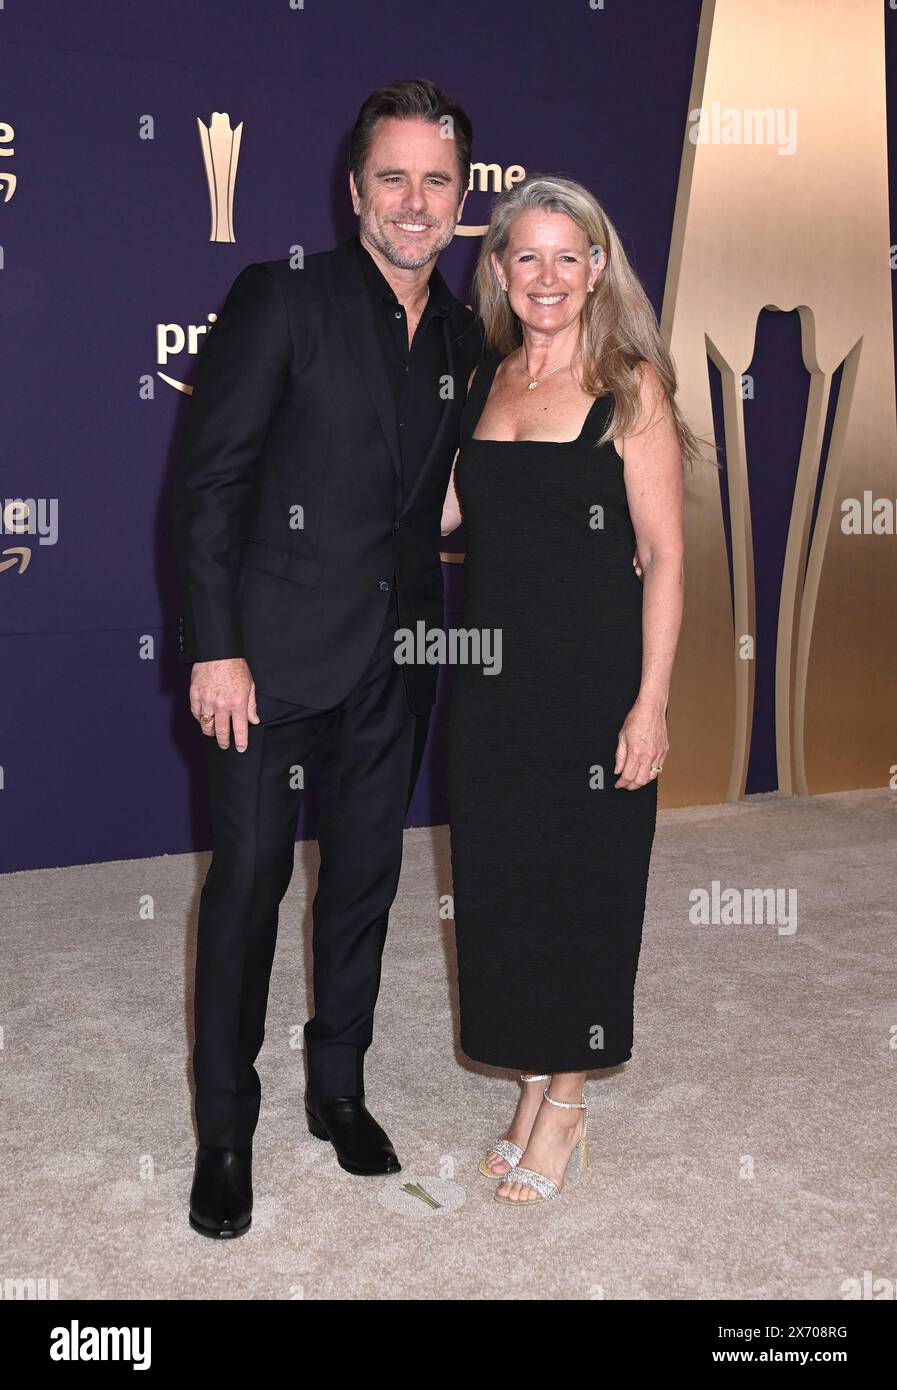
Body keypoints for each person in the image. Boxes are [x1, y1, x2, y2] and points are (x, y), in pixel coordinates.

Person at [172, 78, 483, 1237]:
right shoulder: (282, 298)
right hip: (269, 661)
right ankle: (224, 1128)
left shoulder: (463, 335)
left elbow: (440, 505)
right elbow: (208, 489)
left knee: (363, 883)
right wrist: (218, 651)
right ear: (356, 189)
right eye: (393, 177)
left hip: (398, 662)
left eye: (437, 180)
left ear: (464, 199)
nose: (415, 201)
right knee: (249, 886)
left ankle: (337, 1090)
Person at [442, 174, 699, 1204]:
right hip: (492, 683)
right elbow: (443, 517)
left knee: (585, 886)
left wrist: (652, 702)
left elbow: (667, 556)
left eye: (568, 256)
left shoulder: (632, 383)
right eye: (526, 256)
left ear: (598, 268)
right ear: (499, 268)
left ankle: (569, 1104)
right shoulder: (485, 381)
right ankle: (530, 1081)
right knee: (504, 886)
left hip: (593, 680)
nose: (546, 277)